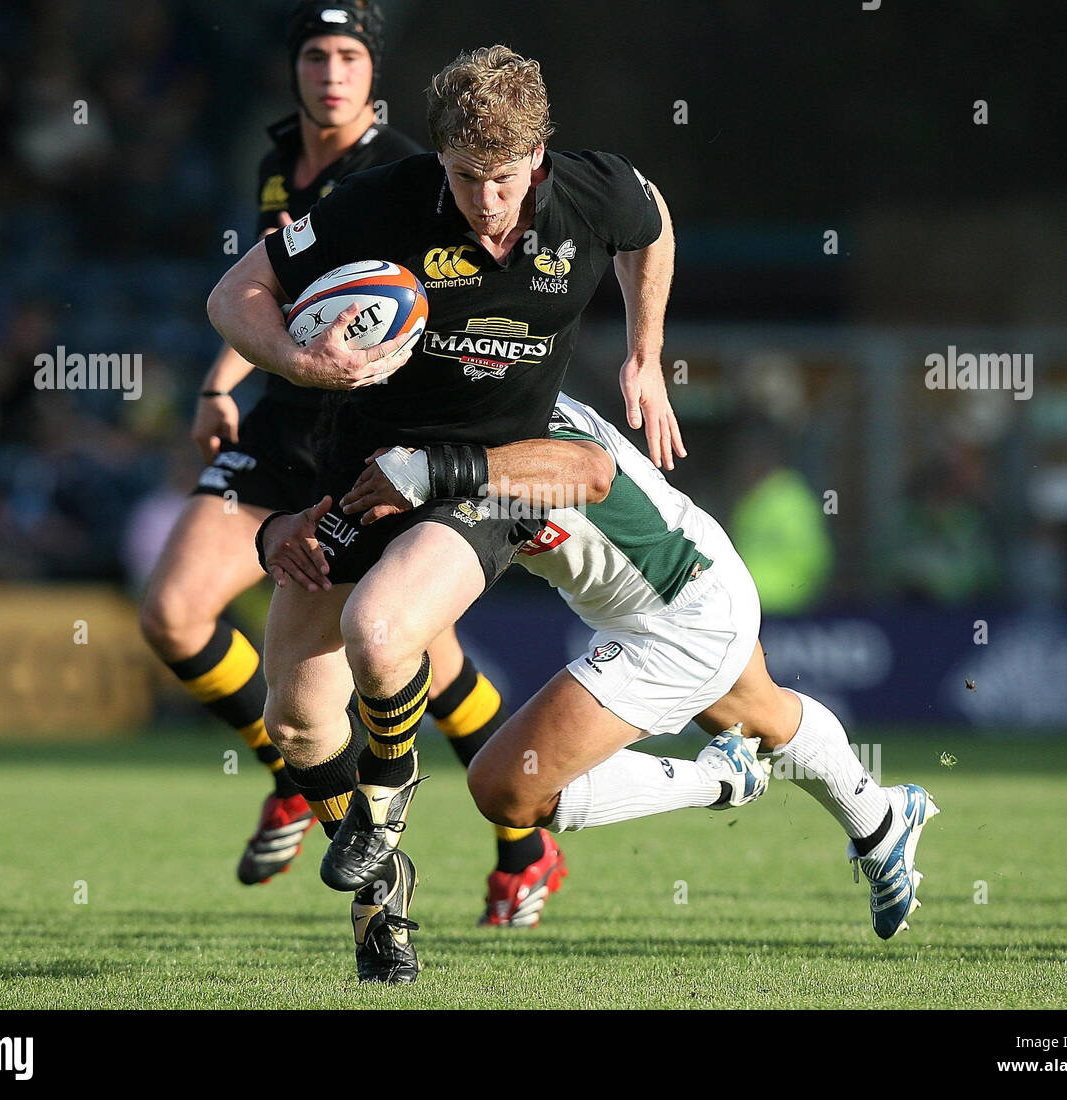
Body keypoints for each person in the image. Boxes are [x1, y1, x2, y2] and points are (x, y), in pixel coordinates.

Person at [208, 45, 683, 980]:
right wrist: (304, 363)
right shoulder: (384, 200)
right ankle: (389, 889)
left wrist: (645, 350)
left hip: (492, 476)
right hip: (364, 476)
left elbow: (654, 224)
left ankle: (380, 823)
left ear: (538, 159)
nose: (486, 200)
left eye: (504, 179)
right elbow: (234, 296)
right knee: (298, 719)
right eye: (466, 177)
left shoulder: (592, 194)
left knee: (380, 635)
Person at [139, 3, 530, 908]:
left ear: (373, 72)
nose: (330, 72)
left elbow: (423, 302)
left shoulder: (403, 173)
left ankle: (520, 844)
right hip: (283, 420)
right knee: (172, 612)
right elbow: (269, 290)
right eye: (315, 55)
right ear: (296, 69)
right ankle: (295, 776)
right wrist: (218, 385)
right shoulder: (280, 161)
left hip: (373, 434)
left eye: (348, 55)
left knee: (420, 654)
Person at [300, 393, 939, 941]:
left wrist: (431, 476)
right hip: (695, 576)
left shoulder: (512, 423)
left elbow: (588, 471)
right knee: (762, 712)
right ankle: (881, 821)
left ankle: (719, 781)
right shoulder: (469, 405)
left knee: (506, 787)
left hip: (678, 618)